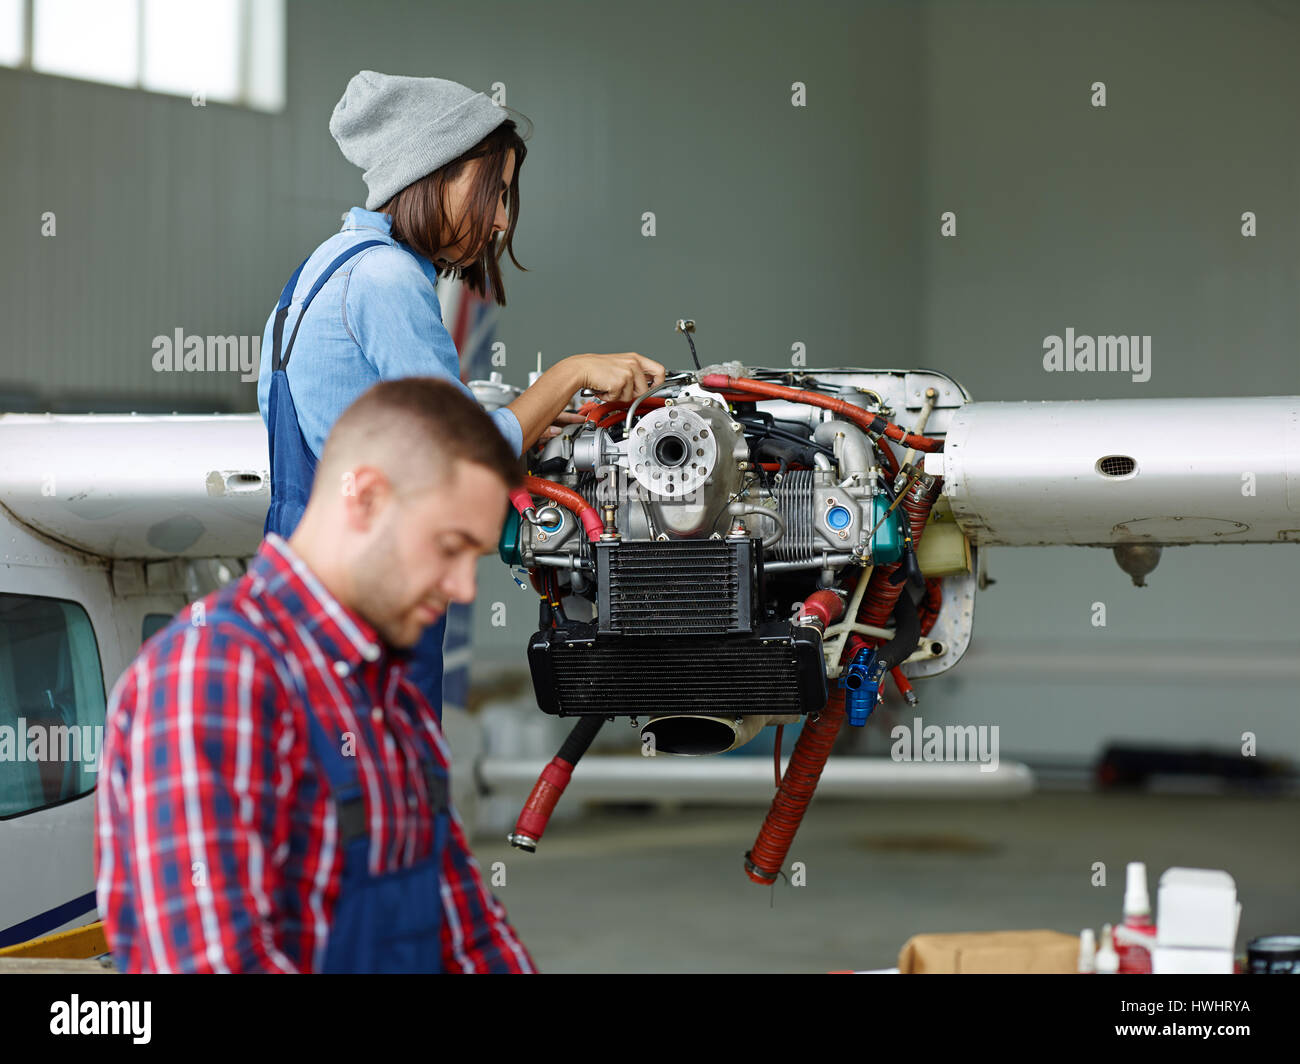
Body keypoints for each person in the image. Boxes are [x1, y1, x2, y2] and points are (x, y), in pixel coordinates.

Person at [257, 69, 665, 721]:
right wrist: (569, 374)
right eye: (494, 192)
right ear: (436, 171)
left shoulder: (319, 272)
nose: (502, 220)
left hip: (304, 593)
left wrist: (522, 422)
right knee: (389, 804)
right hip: (374, 601)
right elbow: (458, 457)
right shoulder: (388, 280)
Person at [96, 378, 537, 973]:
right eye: (450, 546)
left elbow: (468, 938)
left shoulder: (392, 697)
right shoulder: (215, 677)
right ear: (369, 498)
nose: (462, 588)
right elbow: (216, 965)